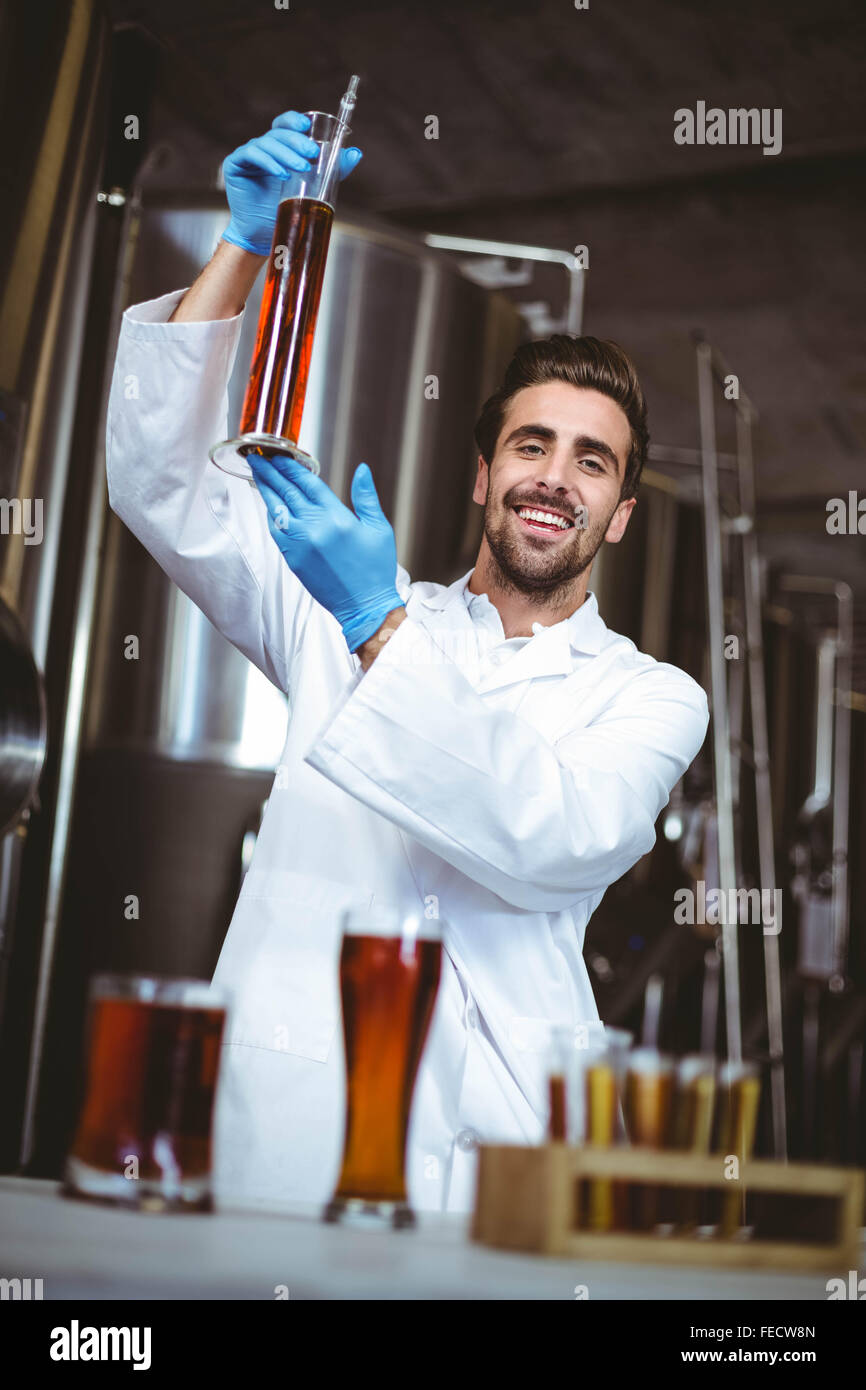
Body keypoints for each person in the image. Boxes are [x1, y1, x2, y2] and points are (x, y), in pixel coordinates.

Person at [105, 111, 709, 1213]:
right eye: (529, 445)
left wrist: (377, 623)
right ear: (482, 475)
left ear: (619, 515)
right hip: (292, 1124)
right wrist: (242, 248)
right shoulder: (325, 614)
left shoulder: (651, 696)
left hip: (503, 1164)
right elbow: (162, 485)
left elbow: (548, 836)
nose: (552, 480)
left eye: (590, 463)